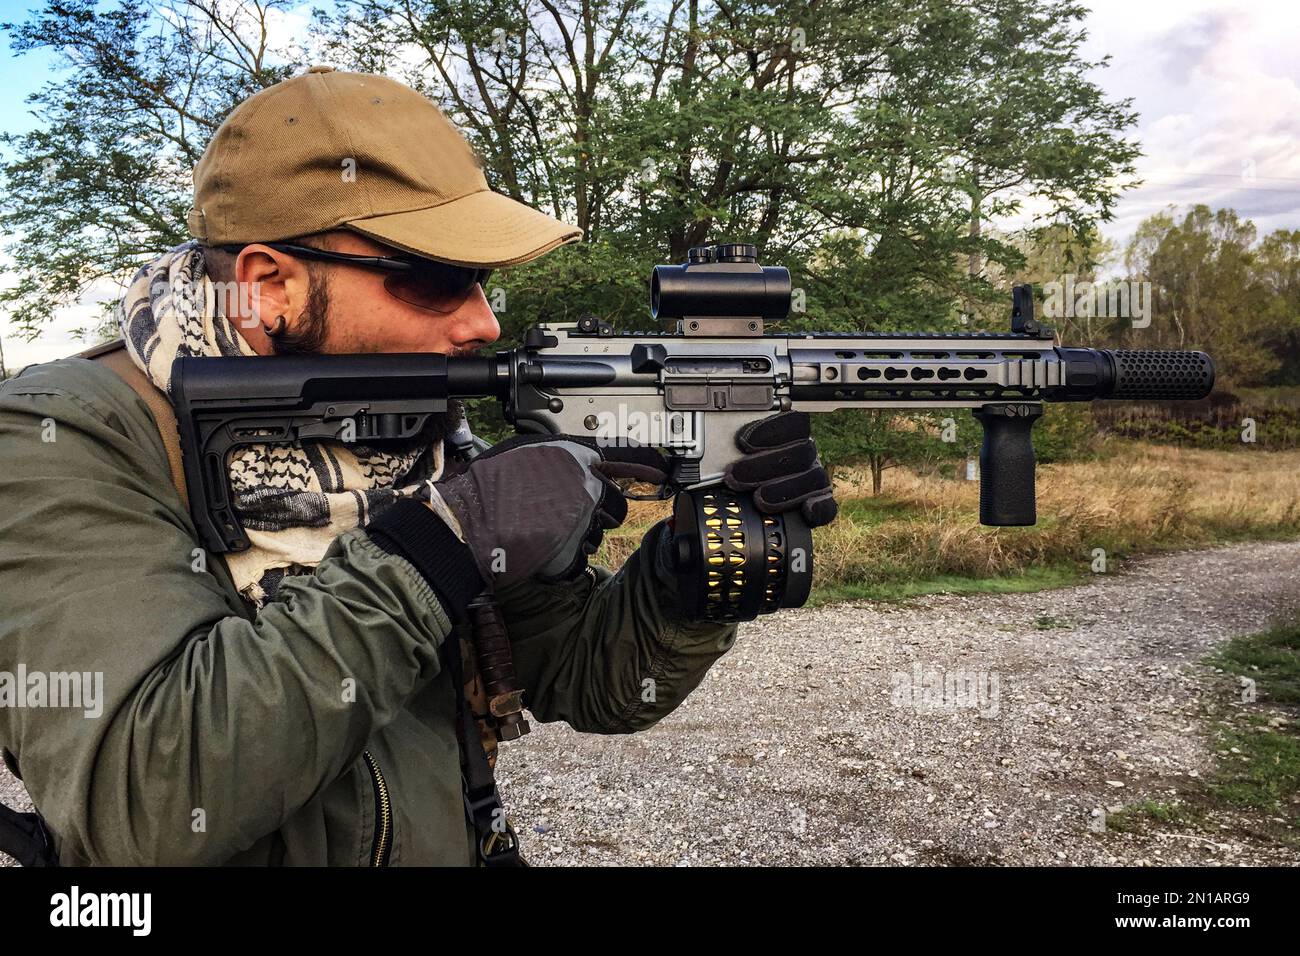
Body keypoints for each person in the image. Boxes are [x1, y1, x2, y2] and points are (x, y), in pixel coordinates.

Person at [0, 67, 836, 866]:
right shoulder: (67, 438)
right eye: (436, 281)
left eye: (481, 283)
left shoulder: (418, 435)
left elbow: (593, 684)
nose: (479, 322)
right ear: (267, 287)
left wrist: (701, 563)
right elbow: (148, 801)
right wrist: (439, 542)